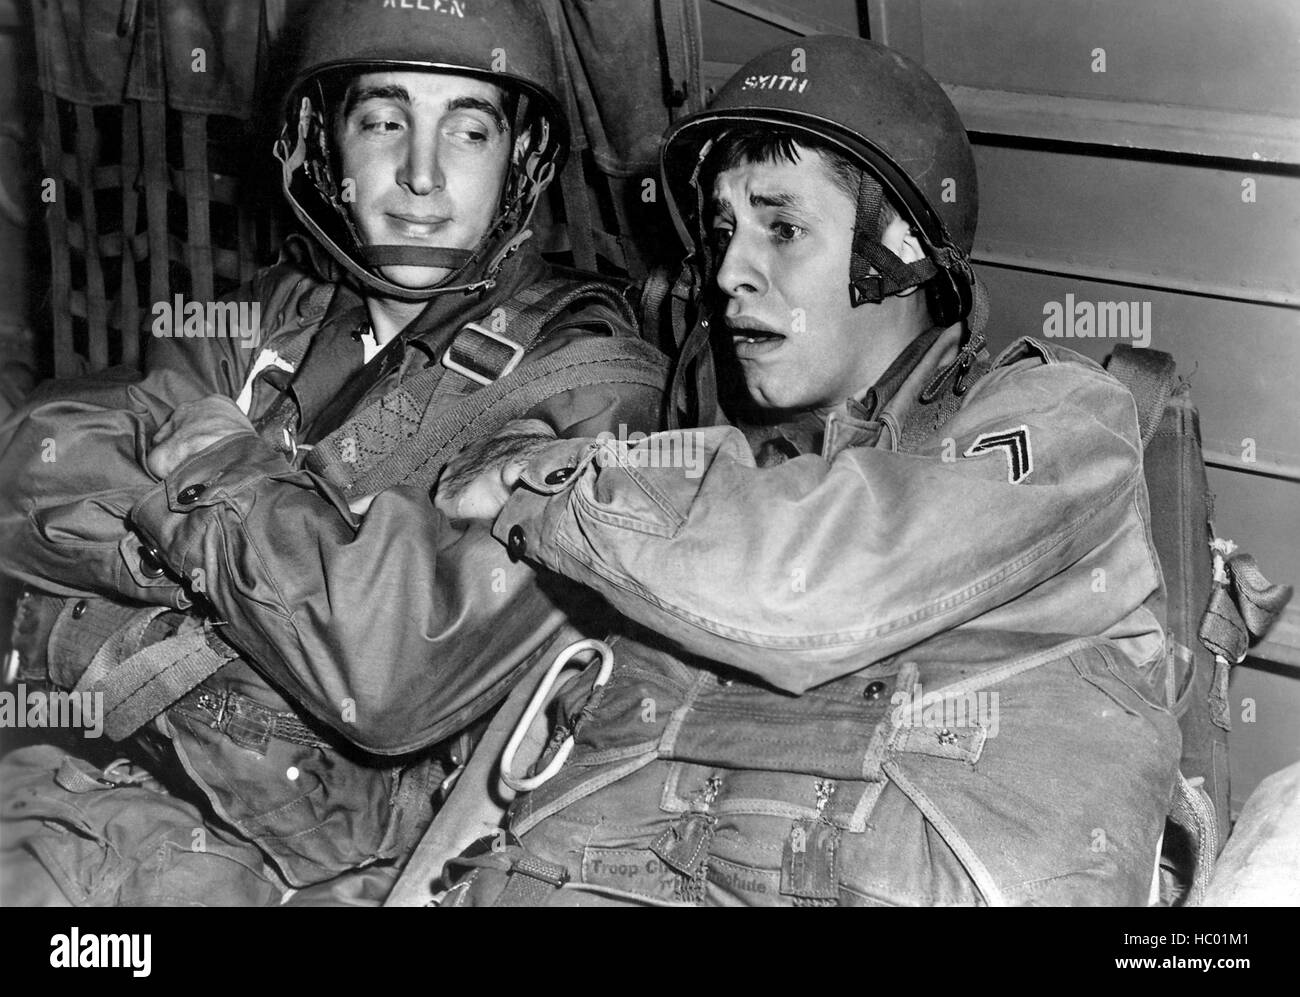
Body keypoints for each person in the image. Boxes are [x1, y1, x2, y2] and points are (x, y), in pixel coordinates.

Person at [434, 35, 1182, 906]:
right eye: (722, 232)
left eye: (782, 229)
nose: (729, 273)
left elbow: (813, 585)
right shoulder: (742, 472)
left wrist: (550, 487)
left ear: (896, 251)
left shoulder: (1063, 417)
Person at [0, 0, 665, 906]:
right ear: (328, 149)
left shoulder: (588, 379)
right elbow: (33, 466)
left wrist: (213, 493)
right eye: (385, 122)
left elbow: (392, 673)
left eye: (468, 130)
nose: (422, 176)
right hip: (107, 786)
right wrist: (280, 577)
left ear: (519, 162)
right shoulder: (269, 317)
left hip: (324, 866)